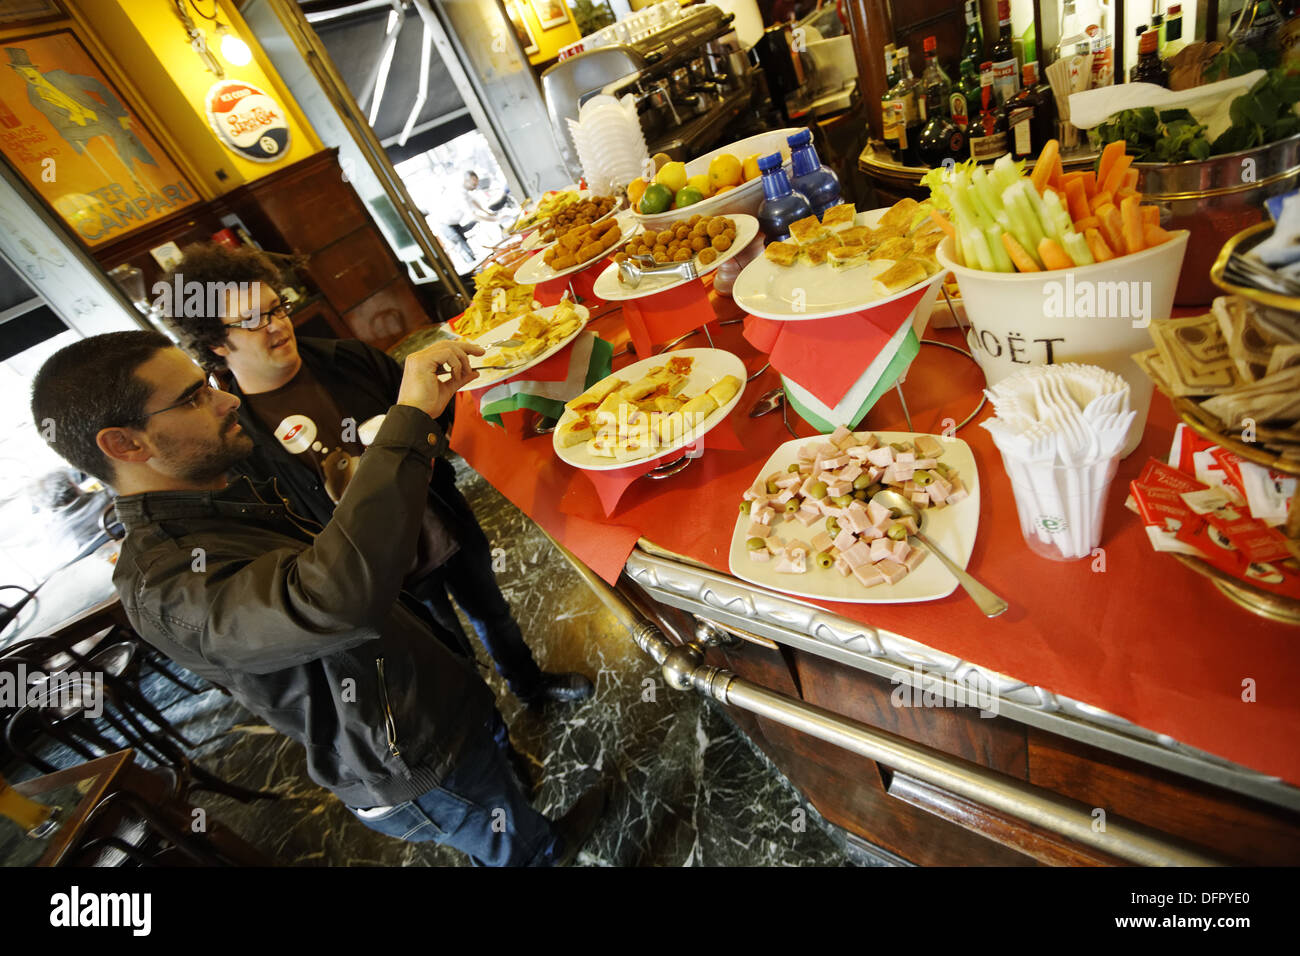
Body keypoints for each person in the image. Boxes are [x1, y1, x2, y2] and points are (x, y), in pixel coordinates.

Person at [29, 330, 606, 865]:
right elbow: (329, 600)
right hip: (412, 757)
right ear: (123, 443)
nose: (225, 400)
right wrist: (407, 422)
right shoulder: (165, 583)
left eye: (207, 383)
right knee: (512, 845)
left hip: (432, 700)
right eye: (192, 397)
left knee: (503, 791)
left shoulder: (215, 498)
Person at [161, 243, 594, 709]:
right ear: (215, 343)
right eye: (253, 321)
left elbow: (435, 420)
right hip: (375, 570)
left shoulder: (348, 359)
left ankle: (529, 685)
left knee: (493, 611)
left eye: (277, 308)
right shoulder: (239, 435)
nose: (277, 325)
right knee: (444, 653)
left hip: (440, 521)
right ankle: (487, 728)